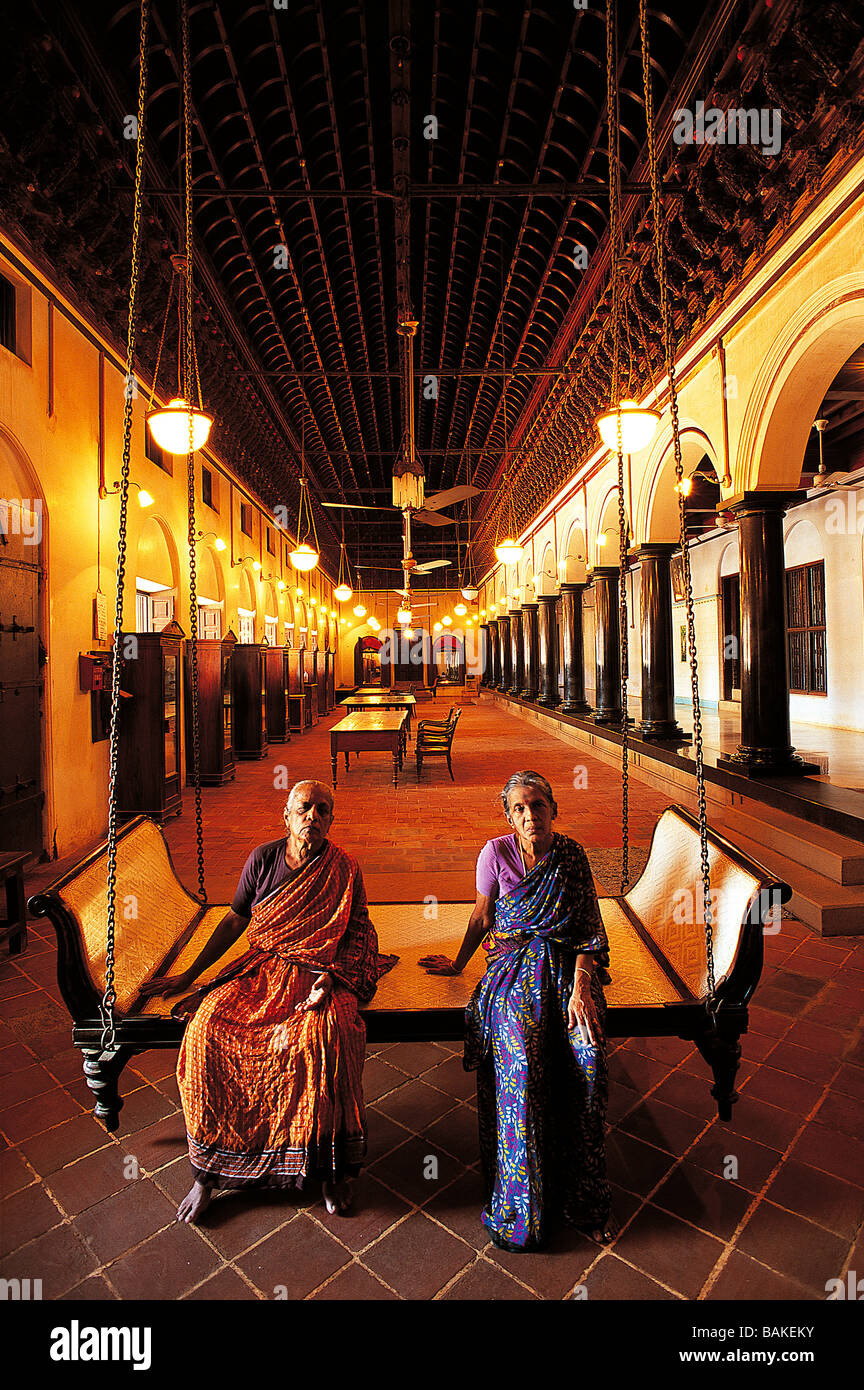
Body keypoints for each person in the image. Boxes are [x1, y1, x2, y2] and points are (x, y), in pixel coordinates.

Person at [139, 780, 393, 1224]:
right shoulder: (263, 859)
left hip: (317, 974)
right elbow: (235, 919)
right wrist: (188, 975)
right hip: (260, 968)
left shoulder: (345, 867)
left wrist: (332, 979)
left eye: (322, 809)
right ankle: (208, 1173)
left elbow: (359, 933)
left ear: (331, 819)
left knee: (327, 1036)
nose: (312, 816)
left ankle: (330, 1170)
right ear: (286, 815)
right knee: (206, 1028)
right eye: (303, 808)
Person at [420, 770, 616, 1252]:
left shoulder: (571, 856)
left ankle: (581, 1197)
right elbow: (482, 917)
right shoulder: (495, 854)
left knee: (587, 1061)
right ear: (508, 816)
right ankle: (521, 1205)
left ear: (554, 809)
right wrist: (459, 963)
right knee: (523, 1062)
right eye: (520, 808)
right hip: (511, 971)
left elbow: (589, 925)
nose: (531, 815)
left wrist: (581, 986)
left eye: (538, 805)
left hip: (568, 971)